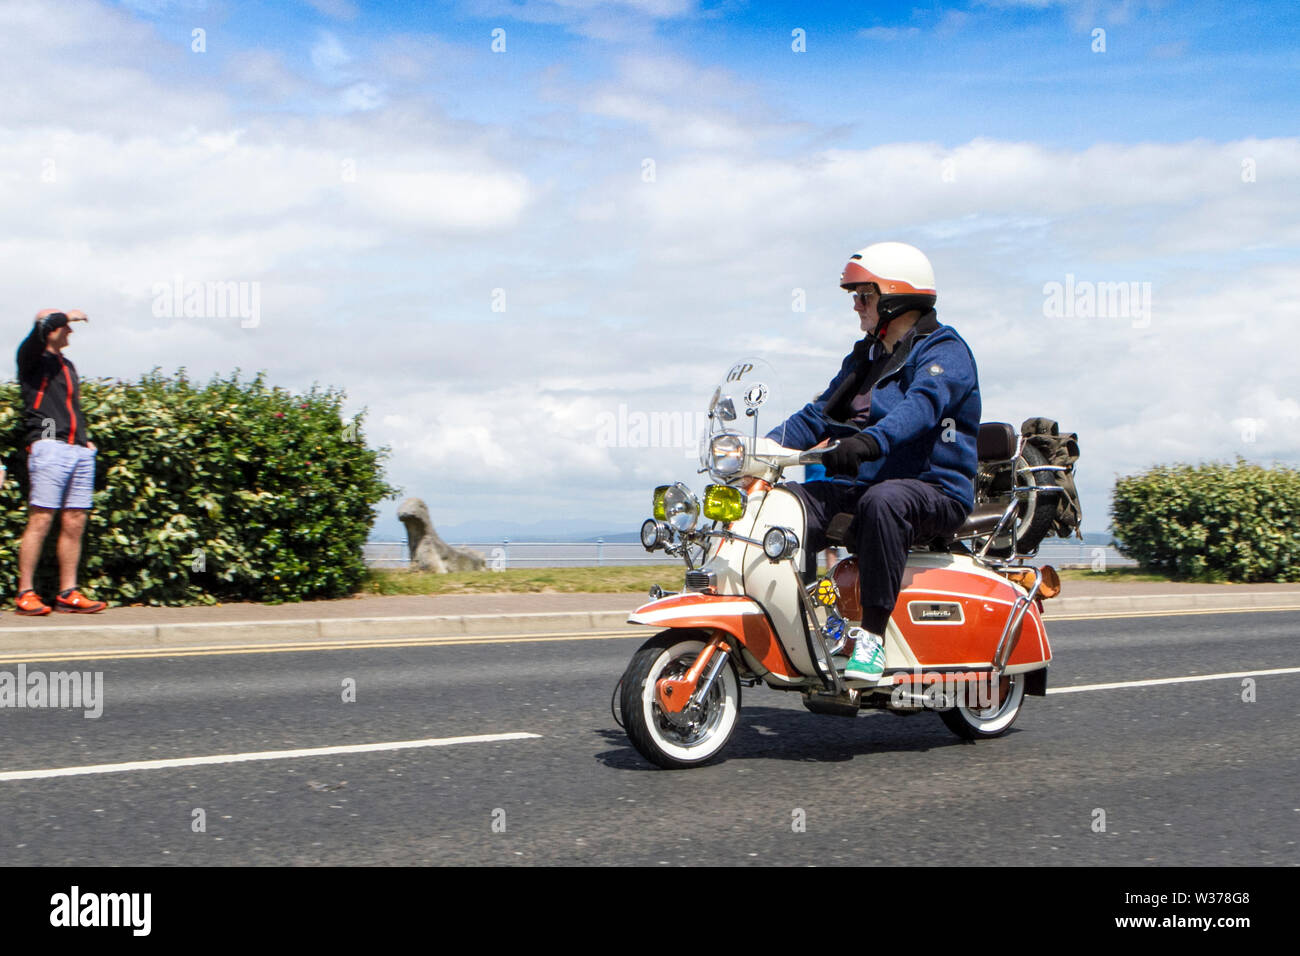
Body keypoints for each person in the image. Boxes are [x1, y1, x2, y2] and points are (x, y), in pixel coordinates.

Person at [767, 242, 979, 680]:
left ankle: (873, 639)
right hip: (870, 484)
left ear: (896, 297)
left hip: (934, 490)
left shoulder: (945, 352)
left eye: (865, 296)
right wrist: (759, 452)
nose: (857, 306)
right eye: (855, 297)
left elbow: (920, 407)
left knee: (883, 501)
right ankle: (815, 619)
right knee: (784, 504)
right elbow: (818, 414)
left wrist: (868, 443)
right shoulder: (866, 355)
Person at [14, 309, 106, 614]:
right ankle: (25, 593)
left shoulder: (67, 365)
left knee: (75, 521)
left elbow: (69, 408)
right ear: (51, 329)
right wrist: (64, 314)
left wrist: (84, 440)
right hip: (49, 444)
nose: (71, 331)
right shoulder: (31, 358)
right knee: (41, 519)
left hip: (77, 448)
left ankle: (68, 592)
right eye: (65, 327)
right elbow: (43, 326)